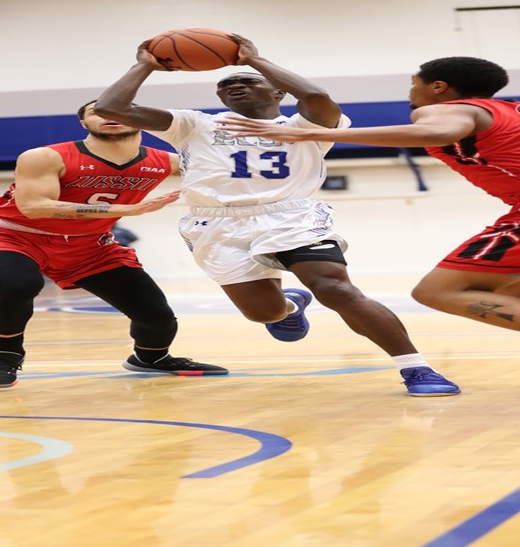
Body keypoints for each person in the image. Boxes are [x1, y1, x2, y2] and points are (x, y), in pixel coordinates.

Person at [216, 55, 520, 399]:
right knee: (518, 289)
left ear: (438, 87)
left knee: (437, 291)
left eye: (414, 84)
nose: (411, 93)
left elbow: (437, 133)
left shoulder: (448, 110)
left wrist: (313, 133)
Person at [94, 35, 460, 397]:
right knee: (263, 313)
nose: (233, 85)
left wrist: (253, 60)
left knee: (335, 289)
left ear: (278, 91)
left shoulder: (306, 125)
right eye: (225, 85)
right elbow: (110, 108)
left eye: (247, 81)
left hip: (290, 216)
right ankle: (290, 305)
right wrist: (144, 65)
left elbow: (316, 97)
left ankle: (415, 367)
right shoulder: (193, 124)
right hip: (214, 223)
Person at [0, 100, 228, 388]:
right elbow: (34, 206)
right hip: (11, 234)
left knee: (156, 314)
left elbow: (231, 169)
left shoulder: (167, 161)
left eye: (118, 109)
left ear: (140, 118)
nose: (109, 115)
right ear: (84, 123)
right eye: (98, 112)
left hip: (89, 245)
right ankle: (5, 355)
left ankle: (151, 357)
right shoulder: (45, 156)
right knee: (19, 284)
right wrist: (124, 210)